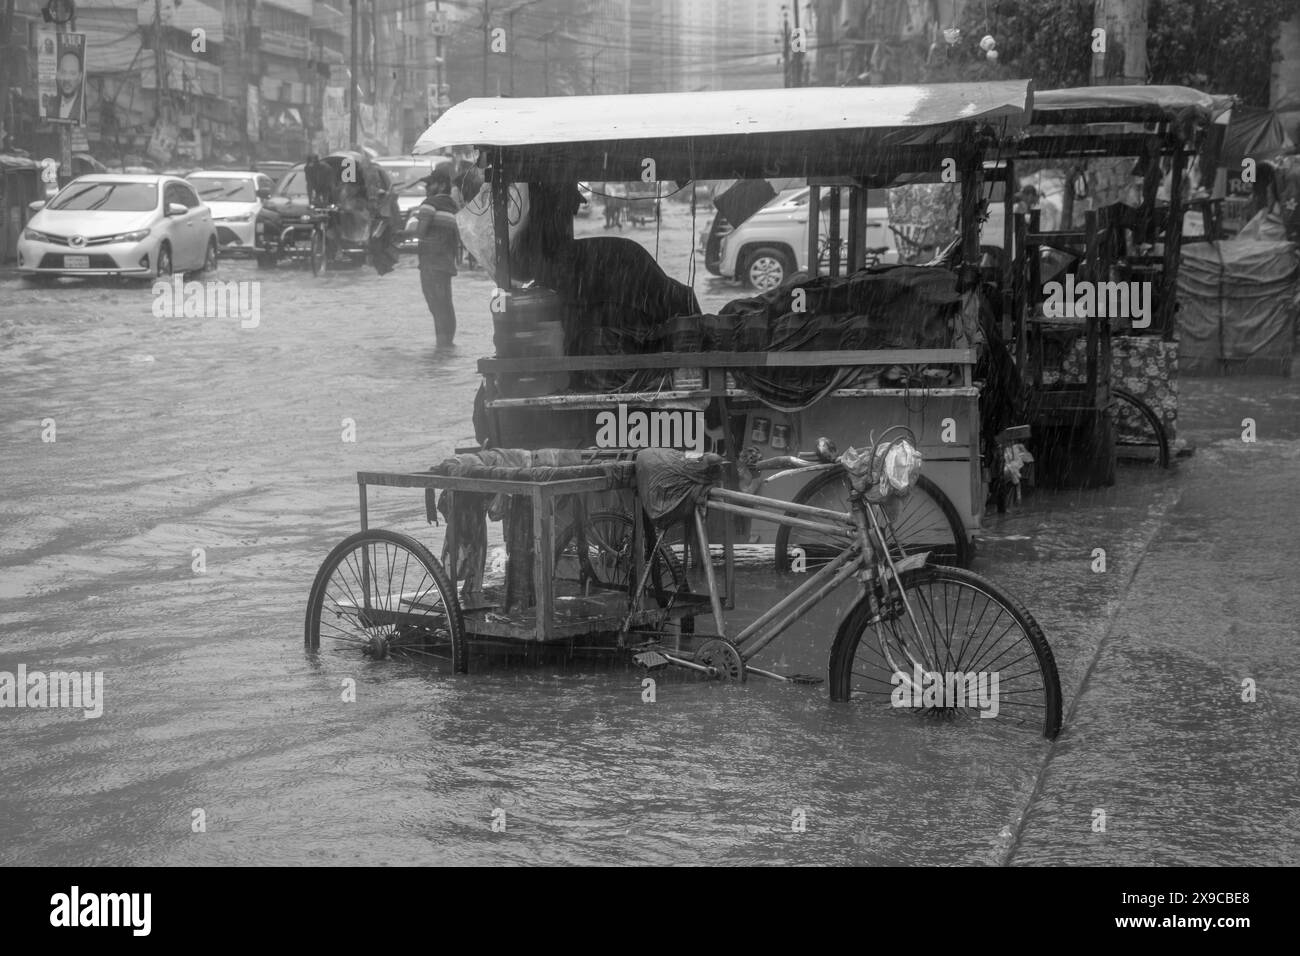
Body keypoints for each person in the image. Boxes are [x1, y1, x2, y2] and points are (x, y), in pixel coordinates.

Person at [407, 167, 461, 347]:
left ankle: (441, 348)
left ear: (442, 185)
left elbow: (420, 233)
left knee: (436, 307)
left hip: (430, 265)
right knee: (446, 306)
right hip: (446, 264)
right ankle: (447, 347)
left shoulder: (429, 203)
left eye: (431, 184)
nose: (427, 188)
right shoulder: (453, 206)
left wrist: (401, 233)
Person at [44, 48, 85, 124]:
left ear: (80, 77)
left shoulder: (83, 106)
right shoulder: (51, 103)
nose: (67, 79)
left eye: (72, 73)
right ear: (58, 74)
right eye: (63, 72)